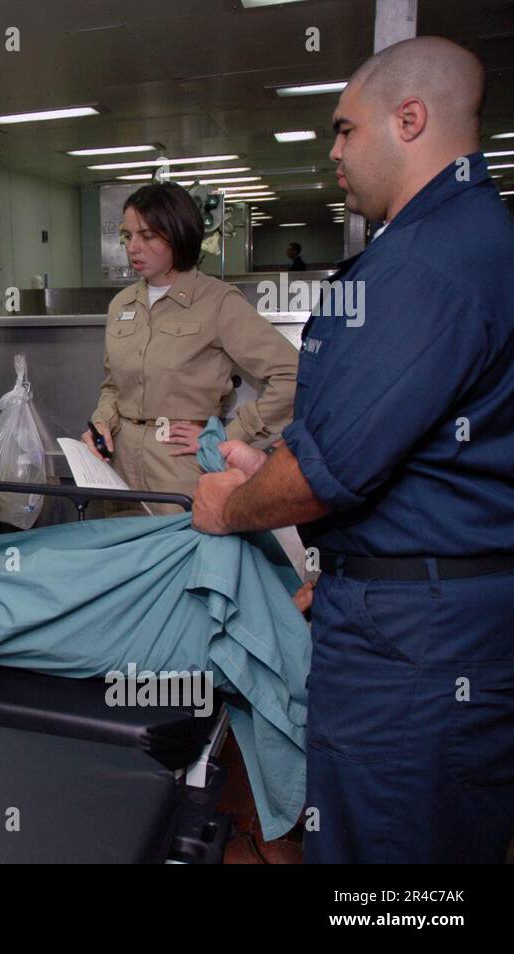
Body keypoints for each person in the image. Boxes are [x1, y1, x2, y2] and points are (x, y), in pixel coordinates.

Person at [191, 36, 514, 863]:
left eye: (344, 129)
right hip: (442, 615)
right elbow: (386, 440)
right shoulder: (475, 238)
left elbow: (328, 476)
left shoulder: (426, 265)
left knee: (390, 857)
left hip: (412, 645)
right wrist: (278, 471)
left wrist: (238, 505)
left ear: (410, 119)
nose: (333, 151)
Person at [82, 183, 298, 514]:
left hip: (182, 469)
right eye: (127, 236)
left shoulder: (218, 302)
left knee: (184, 558)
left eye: (148, 235)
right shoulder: (121, 304)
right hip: (122, 469)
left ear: (179, 234)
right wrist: (101, 424)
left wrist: (226, 435)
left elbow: (291, 374)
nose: (133, 248)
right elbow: (113, 385)